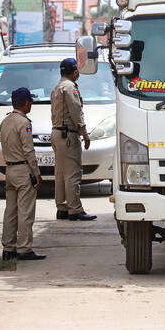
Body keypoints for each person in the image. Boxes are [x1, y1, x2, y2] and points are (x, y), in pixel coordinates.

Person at [0, 87, 46, 261]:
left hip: (9, 169)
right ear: (26, 103)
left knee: (10, 211)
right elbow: (29, 151)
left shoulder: (5, 122)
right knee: (25, 211)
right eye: (30, 102)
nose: (31, 105)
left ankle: (8, 247)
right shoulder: (24, 123)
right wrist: (37, 173)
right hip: (23, 170)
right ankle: (24, 248)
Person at [50, 57, 96, 221]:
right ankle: (75, 209)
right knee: (73, 173)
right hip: (68, 134)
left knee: (61, 173)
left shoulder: (57, 87)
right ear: (75, 72)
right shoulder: (70, 88)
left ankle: (62, 208)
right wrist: (84, 133)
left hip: (57, 133)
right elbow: (76, 111)